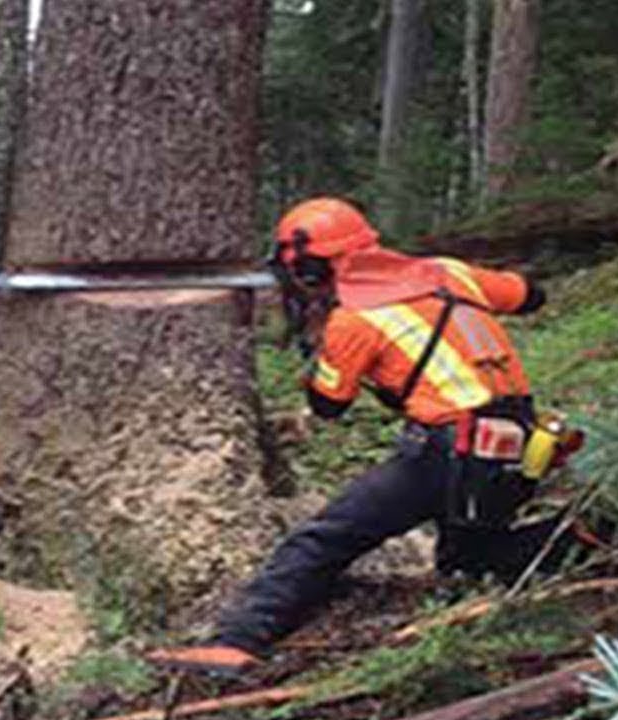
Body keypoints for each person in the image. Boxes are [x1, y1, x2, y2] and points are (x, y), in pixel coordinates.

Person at [147, 197, 583, 675]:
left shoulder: (354, 320)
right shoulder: (448, 272)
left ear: (313, 269)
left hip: (448, 446)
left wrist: (318, 346)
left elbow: (328, 405)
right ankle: (589, 536)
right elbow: (529, 294)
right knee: (470, 562)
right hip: (518, 439)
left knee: (323, 539)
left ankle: (236, 641)